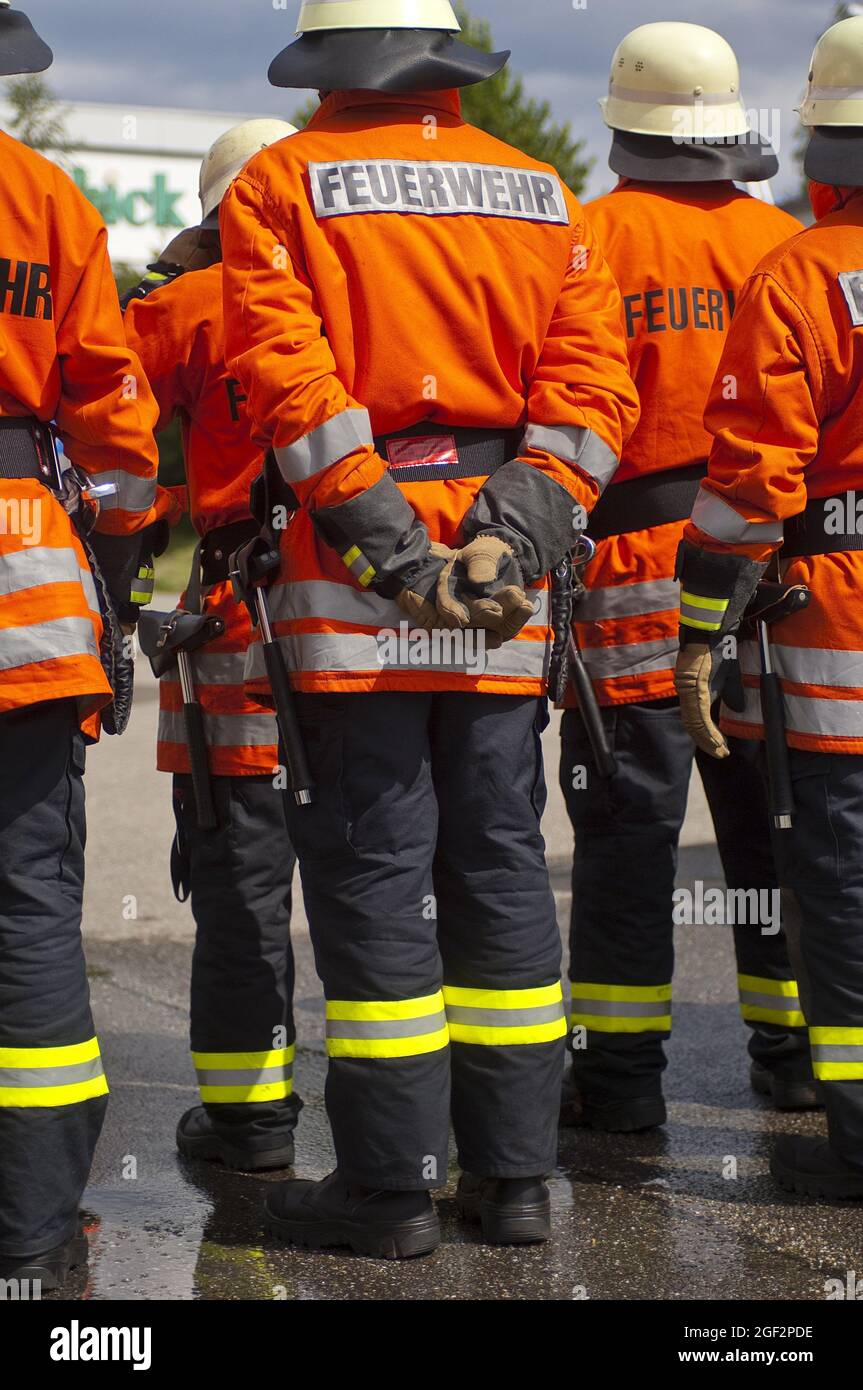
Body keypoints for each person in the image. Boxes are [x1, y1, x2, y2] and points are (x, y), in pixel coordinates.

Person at [220, 0, 639, 1257]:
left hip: (359, 586)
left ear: (325, 63)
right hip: (505, 580)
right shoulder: (540, 191)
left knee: (372, 877)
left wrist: (391, 548)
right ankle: (513, 1182)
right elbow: (589, 390)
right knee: (501, 865)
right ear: (446, 64)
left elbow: (288, 381)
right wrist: (511, 534)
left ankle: (389, 1191)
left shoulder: (281, 185)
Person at [559, 23, 815, 1134]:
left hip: (631, 571)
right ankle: (791, 1052)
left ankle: (617, 1081)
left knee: (625, 829)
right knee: (773, 822)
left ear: (620, 127)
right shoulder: (784, 240)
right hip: (765, 564)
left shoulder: (585, 237)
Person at [675, 15, 863, 1199]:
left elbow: (747, 491)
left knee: (842, 880)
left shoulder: (801, 273)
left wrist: (702, 628)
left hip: (837, 623)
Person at [0, 2, 161, 1289]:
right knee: (27, 906)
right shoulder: (46, 201)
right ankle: (33, 1219)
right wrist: (104, 577)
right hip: (23, 585)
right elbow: (116, 431)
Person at [124, 120, 303, 1174]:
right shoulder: (368, 300)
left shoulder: (184, 310)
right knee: (393, 866)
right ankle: (438, 1121)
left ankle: (250, 1121)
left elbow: (112, 459)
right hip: (381, 626)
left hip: (242, 627)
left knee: (242, 873)